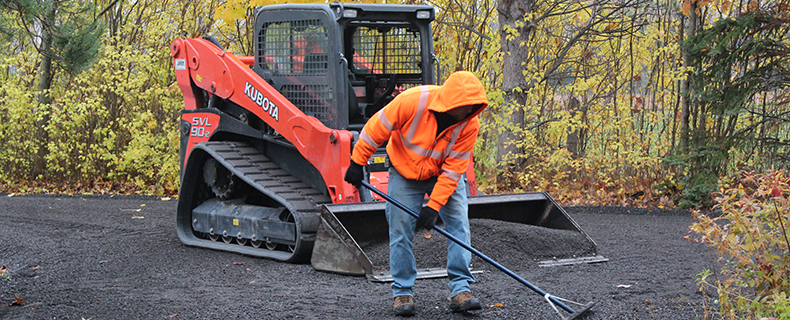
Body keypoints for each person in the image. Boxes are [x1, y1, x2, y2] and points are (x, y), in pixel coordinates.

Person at [343, 71, 488, 316]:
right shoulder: (413, 101)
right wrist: (358, 162)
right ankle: (402, 293)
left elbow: (454, 171)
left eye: (474, 106)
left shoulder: (469, 124)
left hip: (443, 175)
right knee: (400, 230)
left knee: (459, 226)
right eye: (466, 106)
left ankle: (461, 289)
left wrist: (434, 205)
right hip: (404, 172)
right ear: (452, 102)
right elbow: (375, 129)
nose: (470, 111)